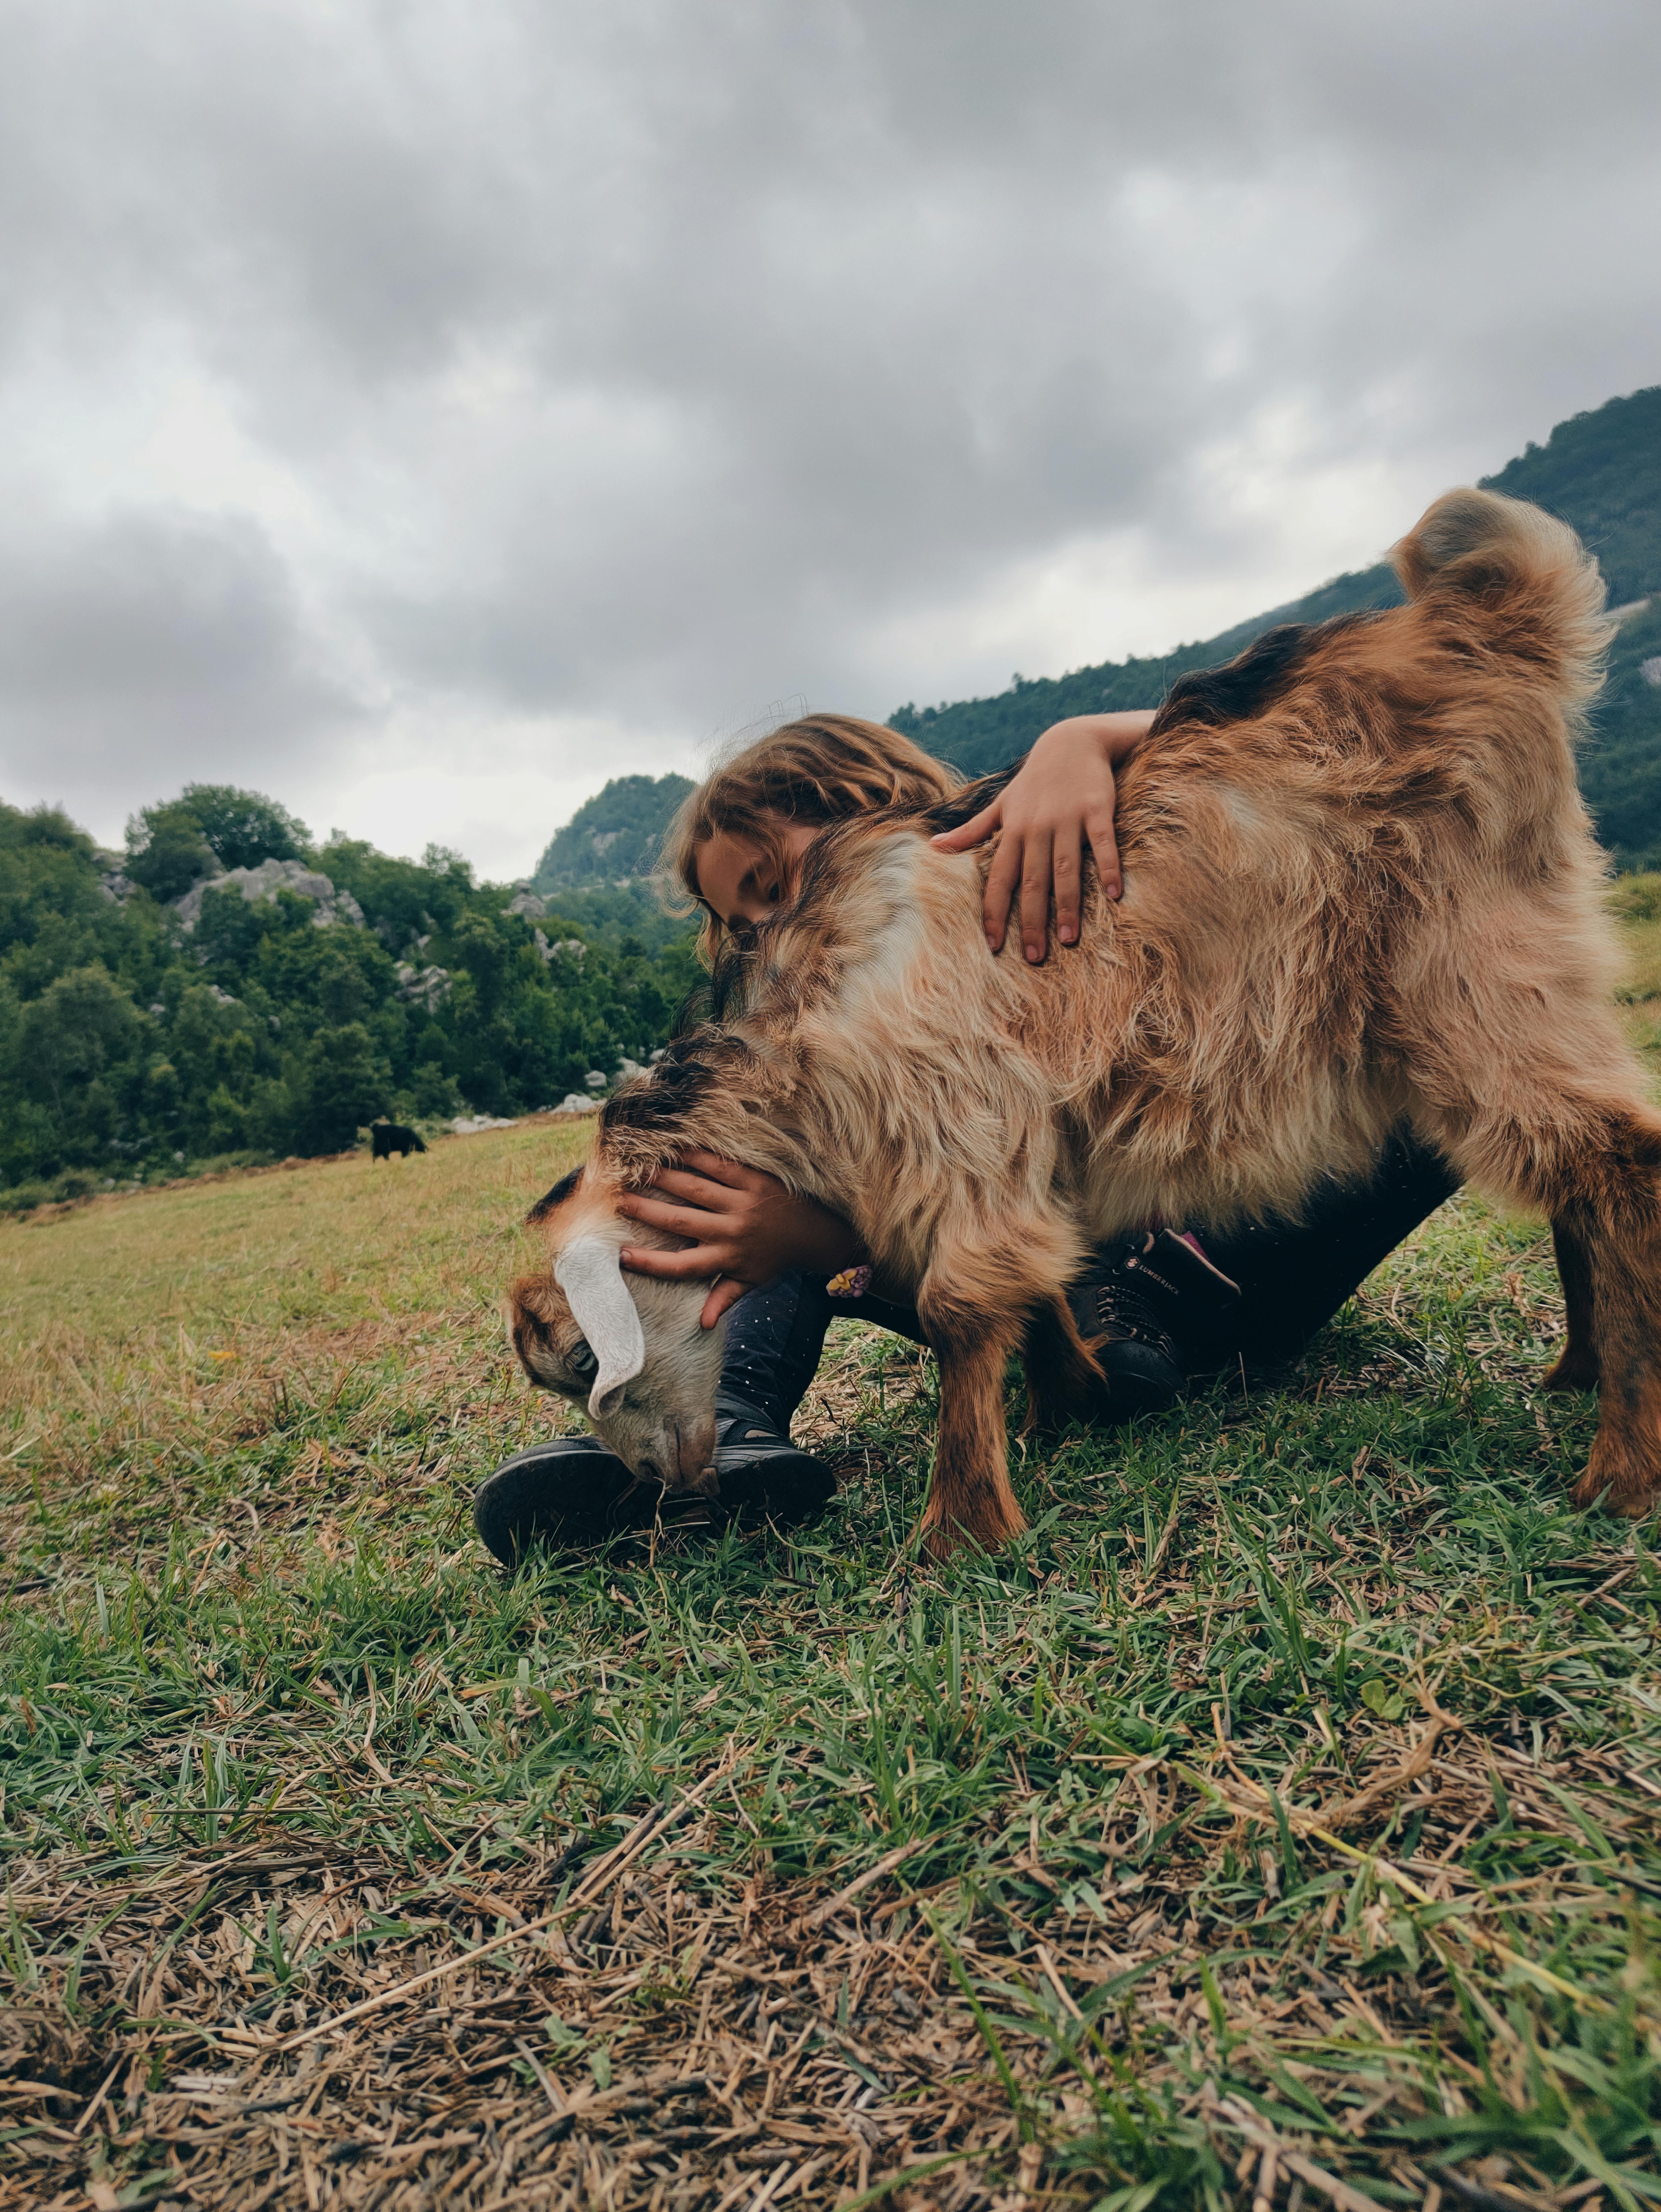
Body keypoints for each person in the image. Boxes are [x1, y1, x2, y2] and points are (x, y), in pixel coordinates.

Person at [473, 712, 1457, 1563]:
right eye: (743, 925)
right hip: (1011, 1283)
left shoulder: (1061, 866)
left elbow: (1285, 753)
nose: (771, 934)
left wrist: (1083, 744)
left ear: (880, 806)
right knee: (739, 1202)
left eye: (775, 886)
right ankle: (725, 1435)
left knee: (1417, 1095)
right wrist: (801, 1237)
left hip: (1203, 1259)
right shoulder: (825, 1047)